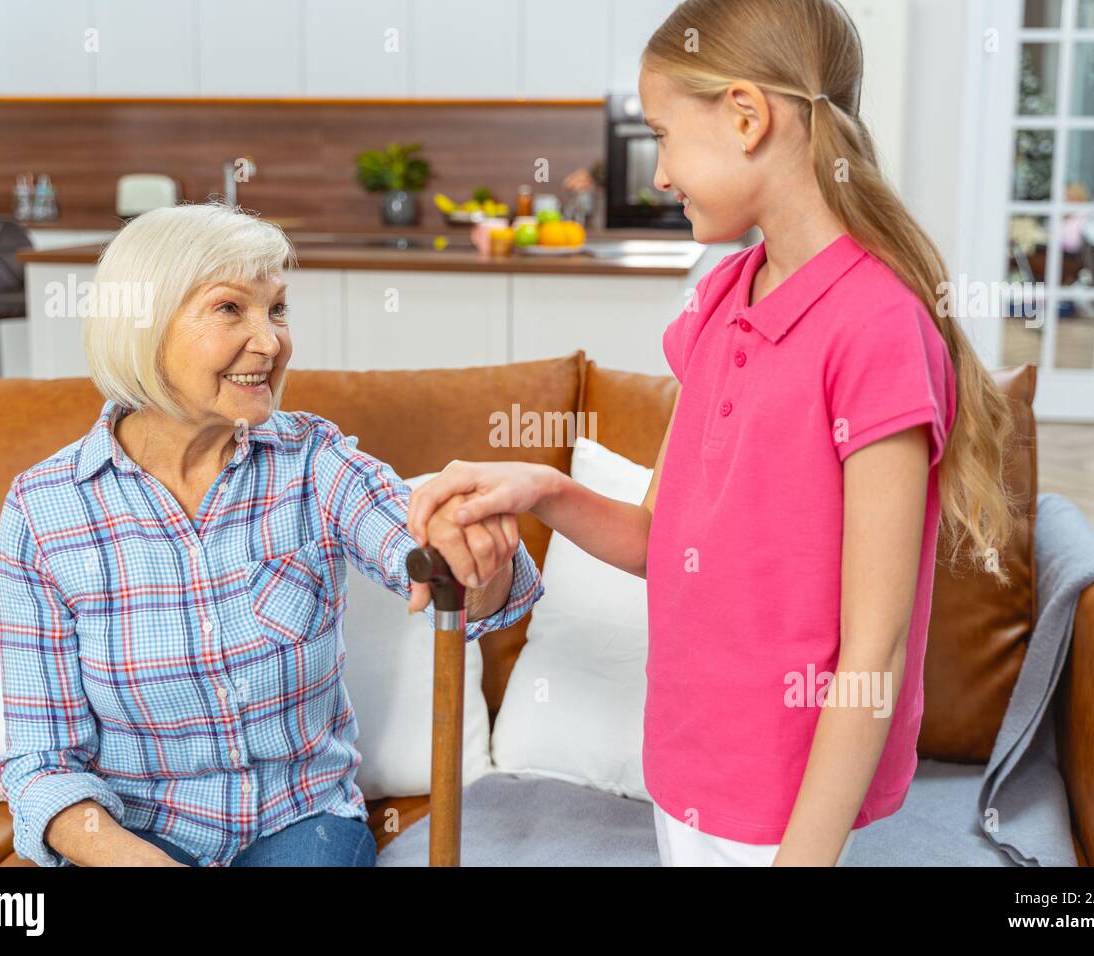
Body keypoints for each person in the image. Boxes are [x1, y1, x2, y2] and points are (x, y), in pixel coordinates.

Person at [407, 0, 1014, 867]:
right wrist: (543, 488)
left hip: (794, 816)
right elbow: (663, 540)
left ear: (745, 116)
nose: (657, 173)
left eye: (662, 134)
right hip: (689, 780)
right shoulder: (724, 299)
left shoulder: (876, 327)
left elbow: (872, 650)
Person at [0, 202, 543, 867]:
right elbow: (42, 762)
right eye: (231, 310)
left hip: (299, 825)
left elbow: (443, 573)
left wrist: (475, 558)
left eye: (277, 309)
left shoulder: (314, 464)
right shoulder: (46, 510)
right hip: (139, 837)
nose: (271, 341)